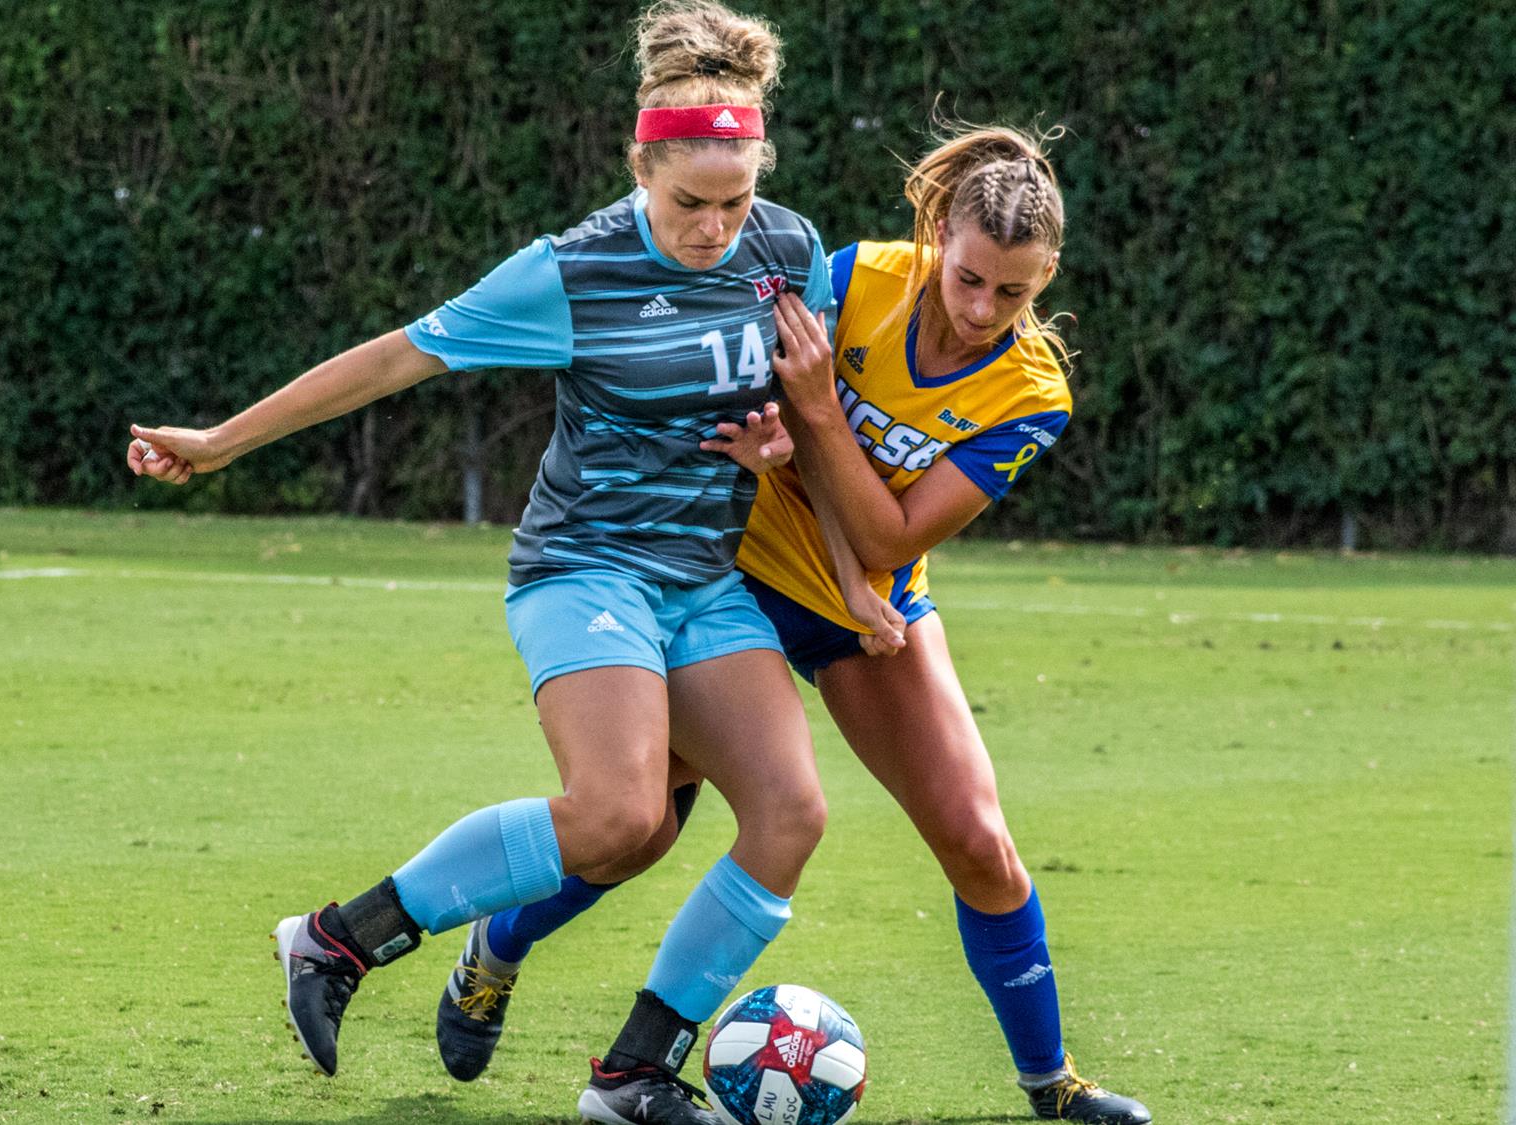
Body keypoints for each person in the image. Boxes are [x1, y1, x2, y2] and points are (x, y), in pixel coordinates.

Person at [127, 4, 904, 1122]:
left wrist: (849, 578)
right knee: (617, 818)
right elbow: (392, 358)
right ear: (640, 167)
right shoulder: (569, 272)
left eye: (732, 202)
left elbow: (808, 427)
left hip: (701, 580)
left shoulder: (784, 251)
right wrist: (218, 442)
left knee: (790, 815)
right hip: (583, 571)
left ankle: (631, 1075)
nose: (712, 228)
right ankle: (337, 942)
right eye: (688, 203)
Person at [437, 124, 1154, 1125]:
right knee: (642, 824)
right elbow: (734, 406)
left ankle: (1050, 1083)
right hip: (726, 576)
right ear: (939, 235)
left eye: (1013, 293)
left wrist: (818, 418)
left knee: (978, 842)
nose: (982, 310)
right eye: (969, 279)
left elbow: (890, 535)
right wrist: (782, 428)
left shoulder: (1028, 392)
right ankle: (497, 950)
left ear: (1044, 281)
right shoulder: (850, 277)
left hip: (867, 610)